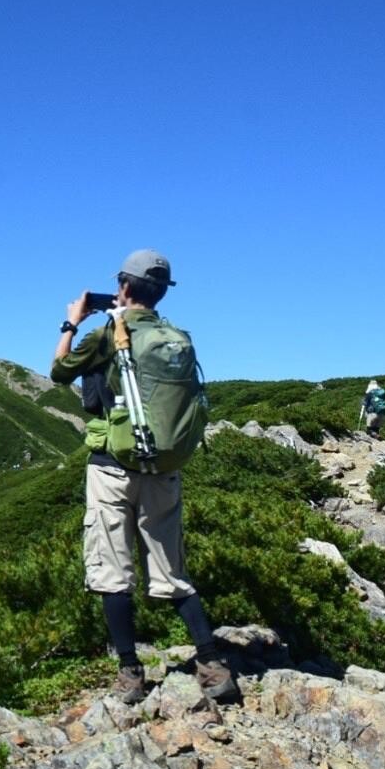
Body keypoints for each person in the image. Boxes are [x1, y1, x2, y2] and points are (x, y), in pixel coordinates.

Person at [50, 249, 240, 705]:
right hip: (163, 469)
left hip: (113, 468)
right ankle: (211, 664)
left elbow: (59, 371)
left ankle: (131, 674)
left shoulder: (107, 334)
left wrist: (71, 322)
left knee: (113, 571)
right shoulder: (175, 337)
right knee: (172, 570)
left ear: (124, 286)